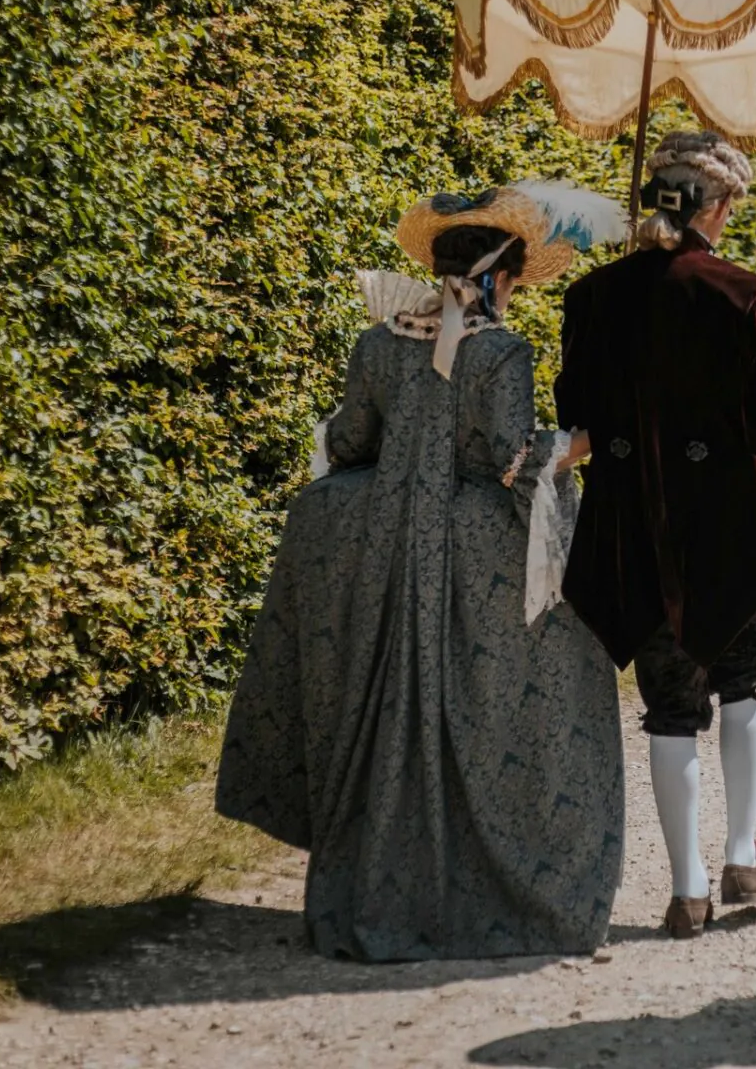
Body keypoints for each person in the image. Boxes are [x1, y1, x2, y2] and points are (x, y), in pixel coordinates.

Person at [215, 185, 628, 961]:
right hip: (474, 554)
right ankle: (487, 889)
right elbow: (511, 461)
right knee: (520, 694)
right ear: (496, 278)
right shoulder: (501, 351)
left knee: (384, 701)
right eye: (513, 279)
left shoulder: (376, 343)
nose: (513, 292)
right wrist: (578, 444)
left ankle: (373, 881)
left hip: (382, 554)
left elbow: (347, 445)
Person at [556, 131, 756, 940]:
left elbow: (575, 408)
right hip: (726, 537)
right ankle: (744, 856)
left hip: (632, 537)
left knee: (669, 711)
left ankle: (686, 893)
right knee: (746, 684)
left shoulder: (591, 297)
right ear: (718, 205)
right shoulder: (745, 295)